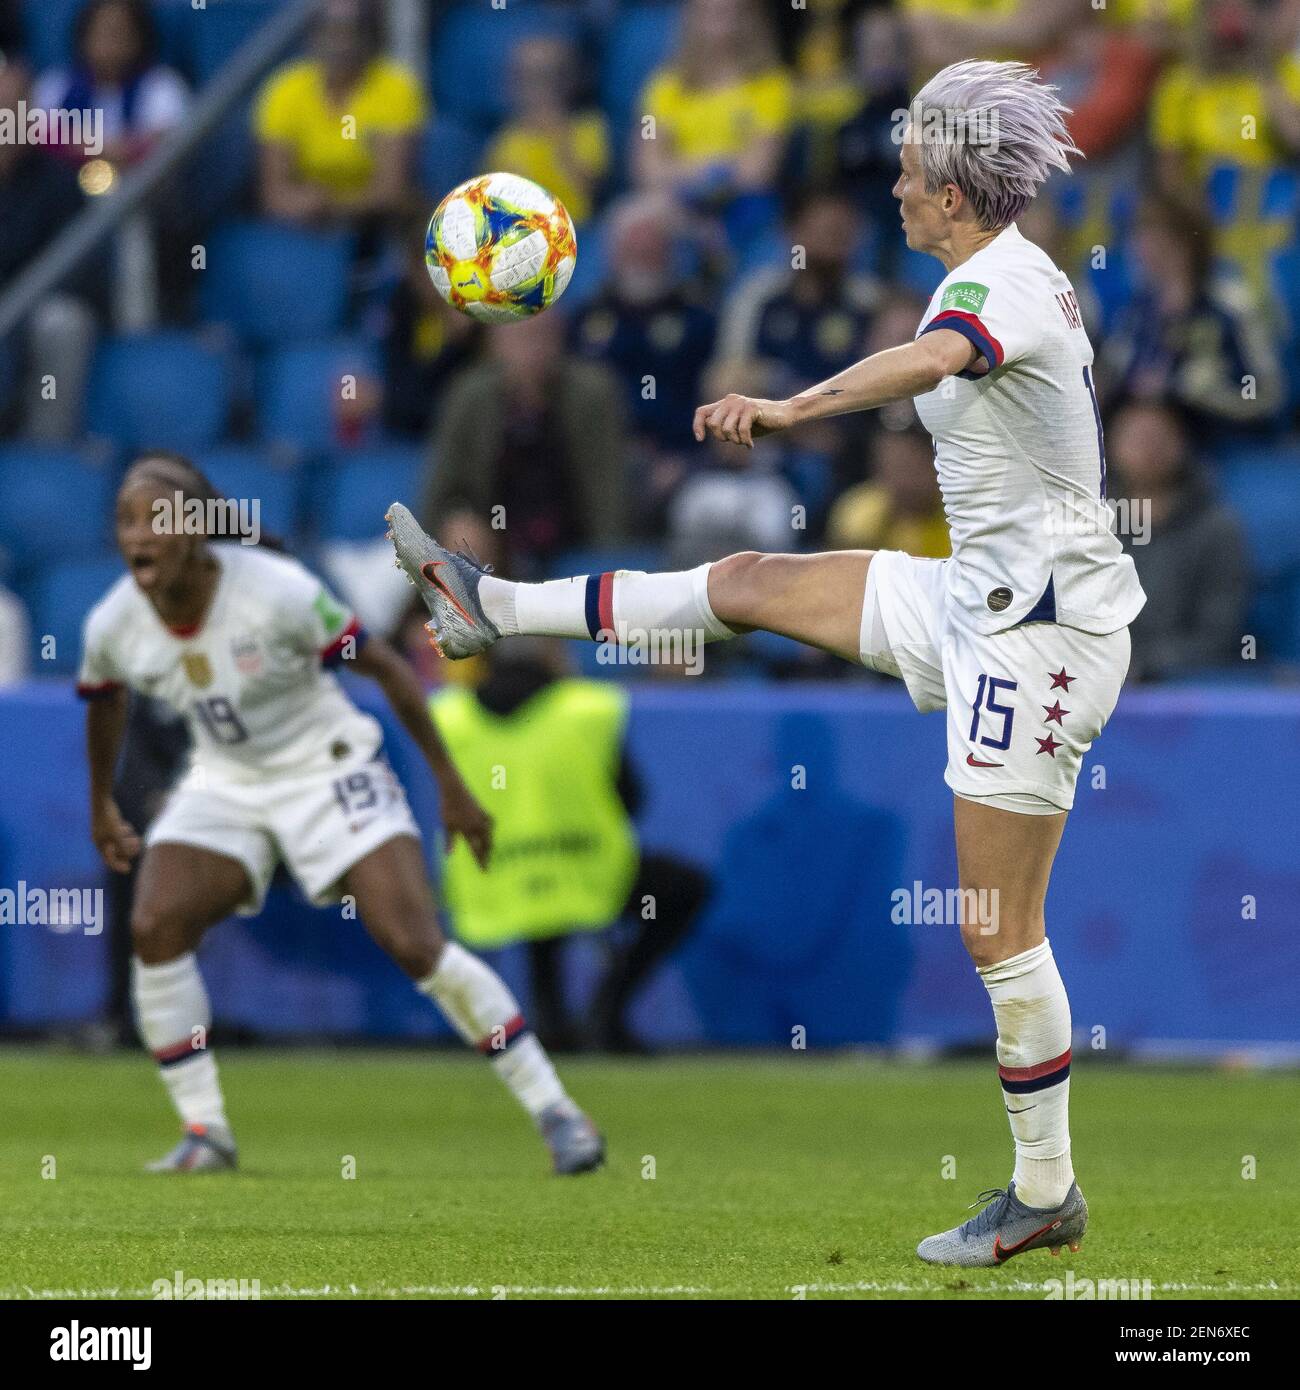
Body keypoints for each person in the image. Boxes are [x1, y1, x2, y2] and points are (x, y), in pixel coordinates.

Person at [388, 60, 1147, 1266]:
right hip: (975, 599)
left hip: (1041, 634)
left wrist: (793, 410)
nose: (893, 188)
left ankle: (1044, 1190)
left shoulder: (996, 287)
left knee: (998, 927)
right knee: (747, 583)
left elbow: (930, 362)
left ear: (952, 189)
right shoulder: (983, 269)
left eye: (907, 172)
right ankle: (490, 606)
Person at [79, 453, 603, 1175]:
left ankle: (558, 1112)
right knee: (154, 923)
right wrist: (103, 803)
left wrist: (450, 785)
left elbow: (385, 665)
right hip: (227, 779)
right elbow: (103, 701)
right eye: (125, 522)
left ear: (198, 535)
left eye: (156, 521)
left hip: (328, 767)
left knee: (415, 944)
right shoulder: (115, 622)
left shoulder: (278, 593)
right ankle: (206, 1132)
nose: (138, 536)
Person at [430, 640, 709, 1054]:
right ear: (554, 657)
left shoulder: (449, 714)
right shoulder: (586, 709)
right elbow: (630, 797)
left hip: (490, 874)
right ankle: (607, 1012)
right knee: (684, 890)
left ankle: (551, 1022)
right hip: (586, 868)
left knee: (541, 910)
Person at [422, 312, 628, 577]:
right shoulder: (469, 395)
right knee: (462, 535)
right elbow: (442, 488)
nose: (533, 349)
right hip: (496, 537)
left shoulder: (593, 392)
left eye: (542, 335)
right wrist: (457, 520)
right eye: (521, 338)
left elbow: (609, 487)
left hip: (570, 535)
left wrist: (612, 558)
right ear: (495, 343)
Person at [1097, 193, 1284, 441]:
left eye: (1151, 235)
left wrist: (1202, 392)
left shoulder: (1231, 307)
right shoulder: (1137, 312)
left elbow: (1269, 397)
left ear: (1182, 244)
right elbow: (1112, 376)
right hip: (1149, 443)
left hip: (1219, 446)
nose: (1139, 247)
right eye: (1138, 235)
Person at [1108, 399, 1251, 680]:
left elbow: (1219, 632)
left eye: (1160, 436)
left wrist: (1146, 665)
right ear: (1110, 444)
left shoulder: (1217, 527)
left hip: (1187, 687)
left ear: (1183, 442)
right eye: (1137, 437)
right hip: (1093, 682)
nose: (1150, 448)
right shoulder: (1088, 524)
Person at [254, 0, 424, 231]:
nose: (340, 44)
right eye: (330, 32)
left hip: (374, 226)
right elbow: (274, 192)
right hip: (298, 224)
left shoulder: (395, 89)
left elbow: (390, 190)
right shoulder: (285, 90)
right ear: (313, 38)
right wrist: (300, 203)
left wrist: (329, 203)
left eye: (350, 33)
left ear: (368, 39)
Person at [34, 0, 189, 170]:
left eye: (119, 34)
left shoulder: (162, 85)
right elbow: (37, 134)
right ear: (84, 37)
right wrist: (93, 148)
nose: (109, 45)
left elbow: (167, 141)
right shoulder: (56, 85)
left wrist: (121, 151)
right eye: (100, 33)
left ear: (139, 37)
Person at [482, 35, 609, 227]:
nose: (539, 89)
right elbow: (492, 205)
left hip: (576, 229)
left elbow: (590, 190)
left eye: (548, 77)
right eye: (529, 79)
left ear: (569, 81)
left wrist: (558, 137)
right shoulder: (505, 141)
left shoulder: (588, 129)